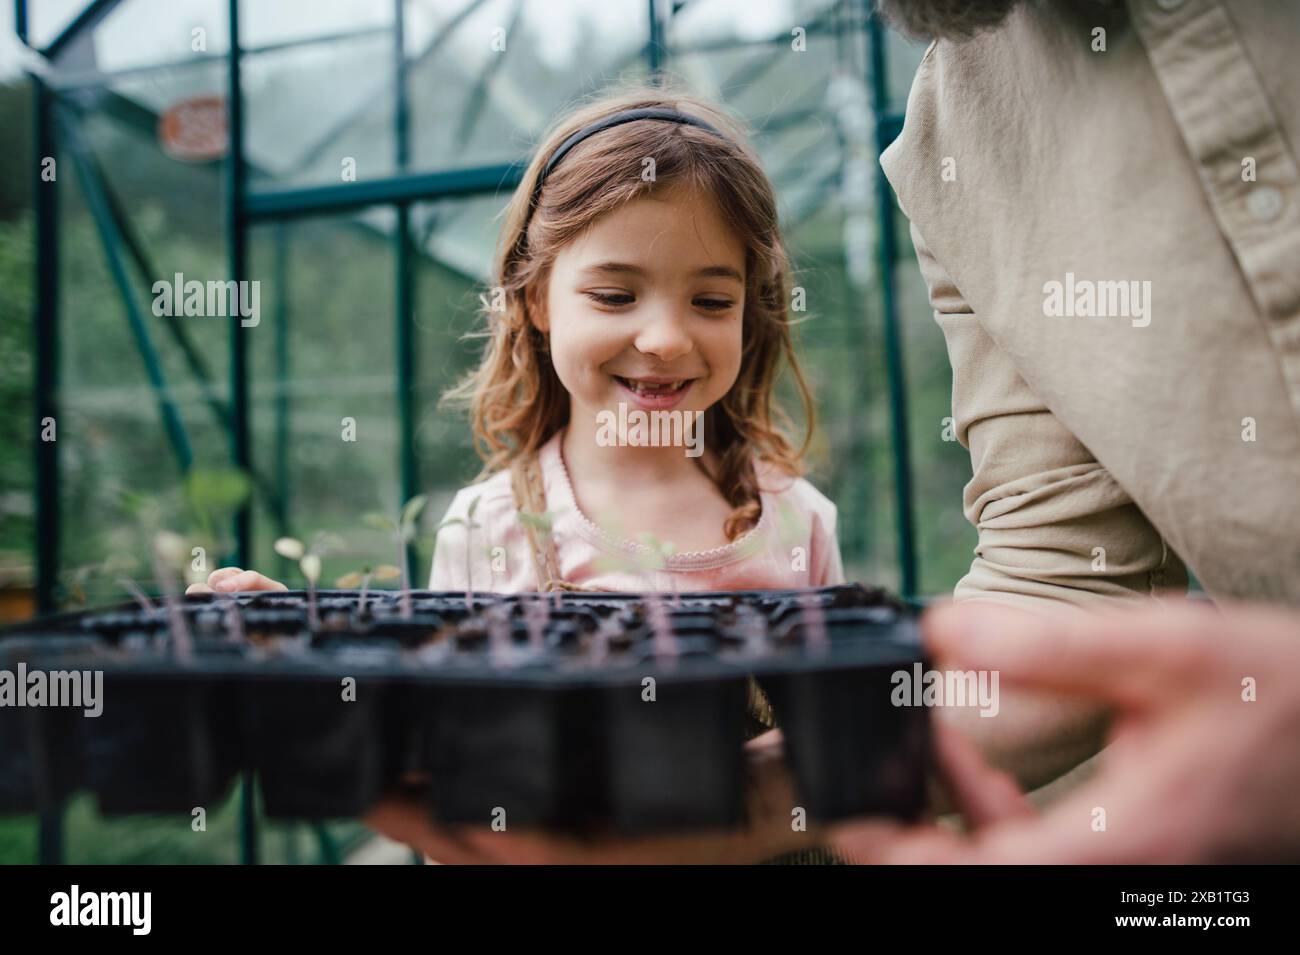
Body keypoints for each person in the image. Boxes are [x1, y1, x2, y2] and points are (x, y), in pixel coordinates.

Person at [190, 83, 849, 863]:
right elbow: (444, 762)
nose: (667, 336)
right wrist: (309, 650)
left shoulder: (797, 518)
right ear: (537, 298)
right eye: (614, 294)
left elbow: (842, 766)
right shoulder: (489, 524)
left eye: (711, 299)